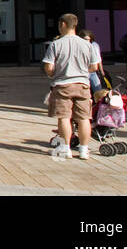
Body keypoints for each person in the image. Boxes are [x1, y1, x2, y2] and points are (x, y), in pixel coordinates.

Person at [42, 13, 98, 159]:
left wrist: (53, 74)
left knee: (64, 117)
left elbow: (48, 67)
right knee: (84, 118)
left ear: (63, 24)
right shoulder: (87, 44)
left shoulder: (56, 44)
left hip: (62, 84)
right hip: (83, 85)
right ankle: (84, 150)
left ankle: (65, 147)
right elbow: (94, 66)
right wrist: (83, 71)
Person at [80, 29, 106, 95]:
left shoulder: (93, 46)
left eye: (88, 39)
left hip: (92, 72)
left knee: (99, 91)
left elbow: (98, 59)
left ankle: (99, 104)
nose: (86, 41)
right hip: (81, 73)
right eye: (84, 39)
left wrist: (101, 70)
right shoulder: (78, 47)